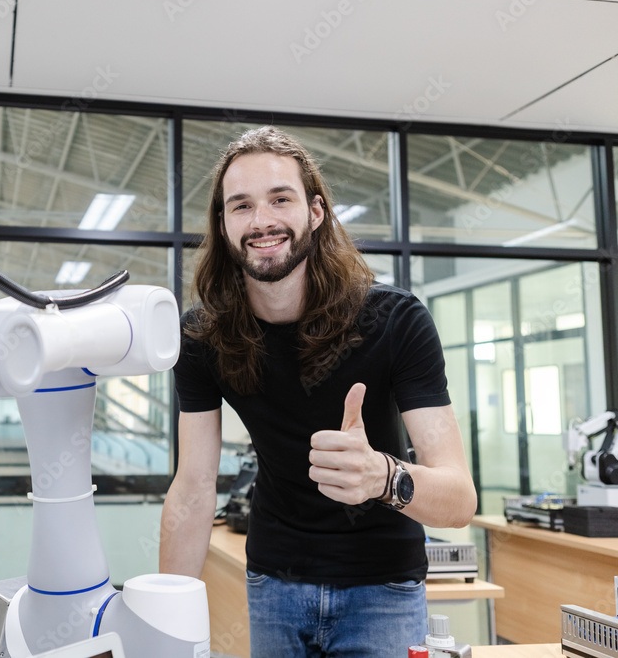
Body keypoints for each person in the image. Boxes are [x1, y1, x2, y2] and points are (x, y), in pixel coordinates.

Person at [159, 126, 477, 657]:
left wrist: (384, 476)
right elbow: (193, 488)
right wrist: (160, 626)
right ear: (223, 224)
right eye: (241, 206)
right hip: (273, 587)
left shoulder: (396, 321)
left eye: (280, 199)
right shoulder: (202, 338)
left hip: (385, 590)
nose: (261, 221)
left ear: (316, 212)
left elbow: (459, 499)